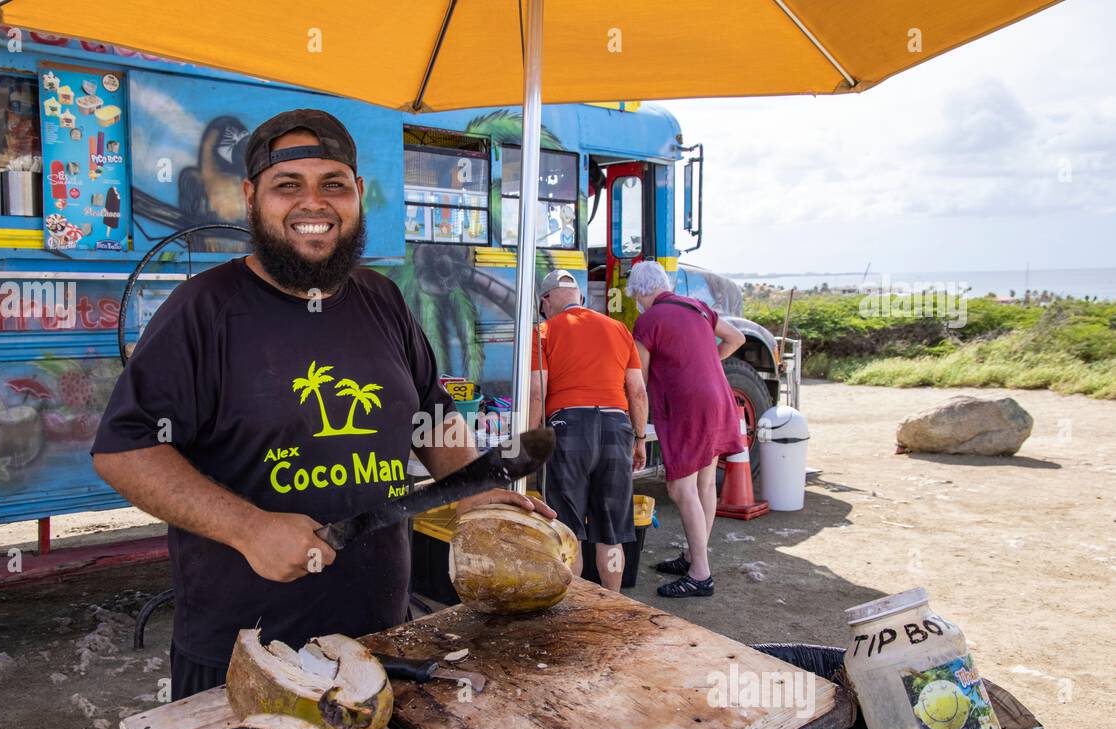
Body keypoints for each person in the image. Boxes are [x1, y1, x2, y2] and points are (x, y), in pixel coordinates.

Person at [91, 109, 552, 699]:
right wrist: (249, 528)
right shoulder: (202, 309)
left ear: (358, 194)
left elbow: (429, 413)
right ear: (251, 196)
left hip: (382, 637)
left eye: (333, 184)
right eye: (289, 186)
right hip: (250, 656)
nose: (314, 204)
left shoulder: (382, 299)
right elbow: (124, 448)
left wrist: (474, 492)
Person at [626, 260, 746, 598]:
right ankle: (696, 555)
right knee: (705, 483)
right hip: (719, 398)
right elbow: (735, 338)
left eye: (635, 294)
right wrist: (704, 362)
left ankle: (700, 574)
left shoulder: (648, 321)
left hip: (688, 408)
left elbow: (641, 379)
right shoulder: (698, 307)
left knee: (681, 488)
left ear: (640, 292)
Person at [528, 269, 649, 591]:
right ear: (579, 298)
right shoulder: (619, 329)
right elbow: (637, 391)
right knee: (611, 534)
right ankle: (613, 602)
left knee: (568, 533)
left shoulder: (543, 331)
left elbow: (537, 392)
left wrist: (528, 441)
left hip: (569, 430)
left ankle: (573, 609)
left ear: (547, 300)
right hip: (616, 428)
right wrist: (639, 439)